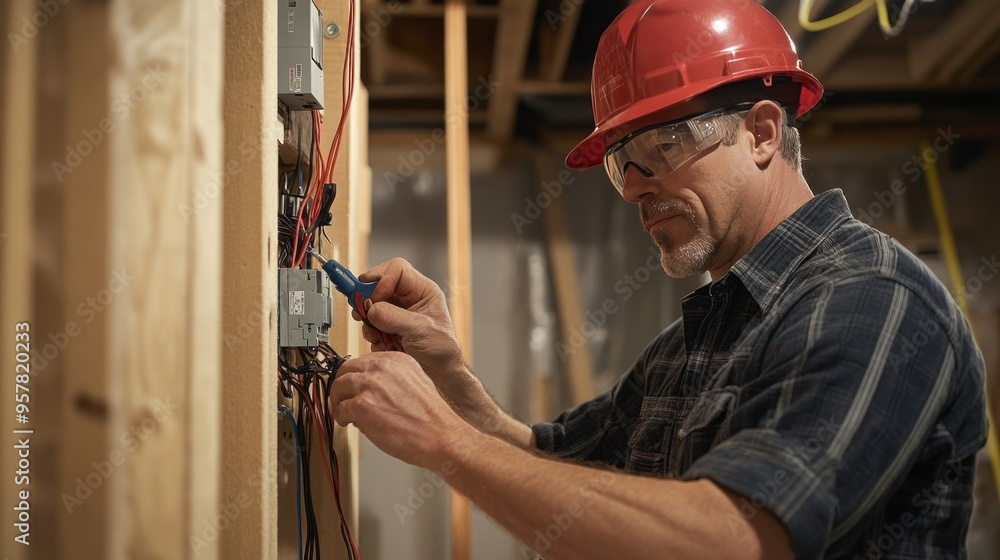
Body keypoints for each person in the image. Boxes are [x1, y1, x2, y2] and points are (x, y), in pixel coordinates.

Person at [329, 0, 988, 558]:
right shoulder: (694, 340)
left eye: (663, 148)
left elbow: (736, 539)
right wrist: (449, 381)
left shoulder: (873, 302)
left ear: (761, 132)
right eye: (624, 164)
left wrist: (444, 445)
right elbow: (549, 464)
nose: (635, 191)